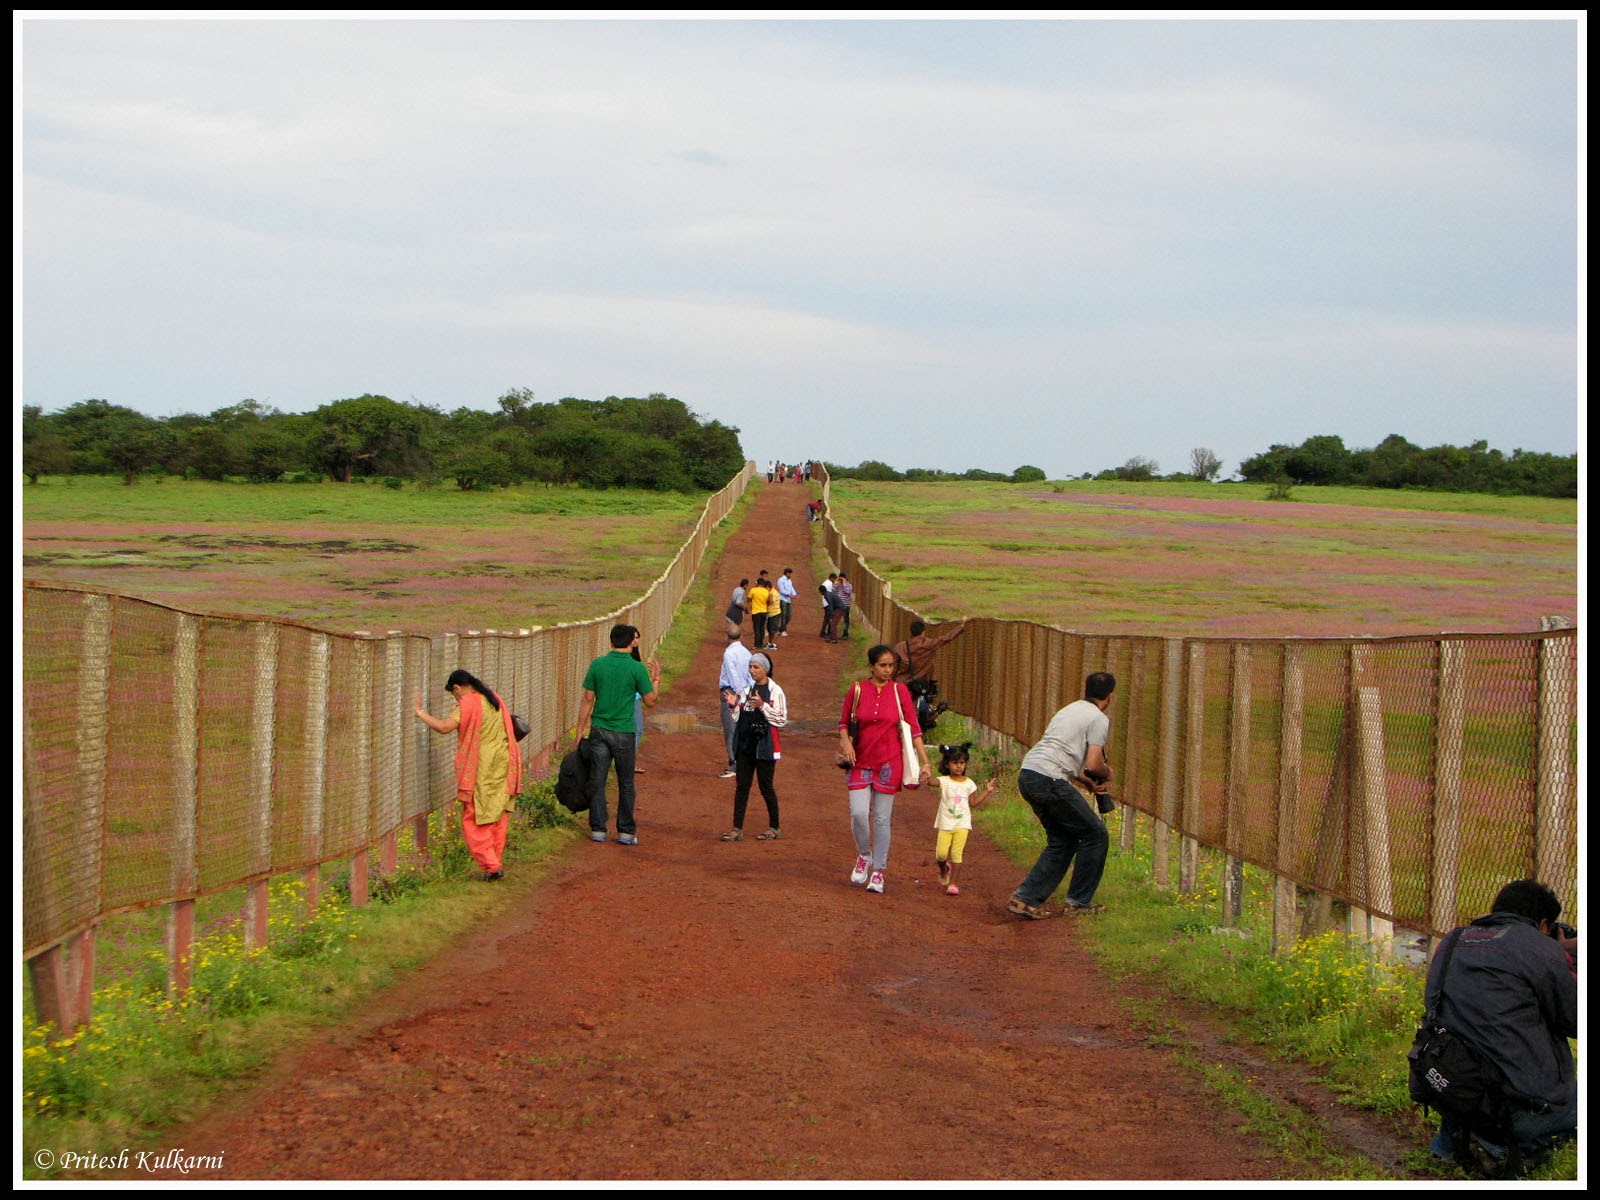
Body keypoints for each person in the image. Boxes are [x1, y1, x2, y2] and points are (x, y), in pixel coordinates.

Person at [1420, 879, 1578, 1171]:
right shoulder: (1541, 949)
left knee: (1480, 1052)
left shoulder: (1454, 940)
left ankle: (1455, 1140)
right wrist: (1568, 963)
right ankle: (1503, 1148)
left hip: (1451, 1088)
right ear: (1544, 924)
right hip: (1516, 1104)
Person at [1007, 672, 1115, 919]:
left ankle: (1025, 899)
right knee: (1095, 834)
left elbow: (1061, 751)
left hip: (1030, 773)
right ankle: (1078, 902)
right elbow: (1093, 762)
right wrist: (1106, 773)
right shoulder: (1098, 718)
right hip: (1050, 778)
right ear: (1110, 696)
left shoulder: (1068, 710)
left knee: (1063, 839)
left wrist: (1083, 780)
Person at [837, 644, 931, 895]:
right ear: (872, 666)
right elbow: (844, 722)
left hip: (889, 763)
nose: (888, 670)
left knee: (881, 819)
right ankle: (864, 855)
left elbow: (914, 730)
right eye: (883, 665)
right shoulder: (857, 690)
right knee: (858, 813)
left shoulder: (900, 692)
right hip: (860, 761)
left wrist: (925, 762)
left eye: (891, 666)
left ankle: (878, 871)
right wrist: (846, 742)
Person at [413, 669, 522, 881]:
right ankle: (494, 863)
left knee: (474, 817)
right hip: (505, 763)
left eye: (454, 695)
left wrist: (420, 713)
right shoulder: (494, 698)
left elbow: (445, 727)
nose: (456, 699)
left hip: (482, 767)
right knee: (498, 814)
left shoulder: (469, 703)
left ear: (457, 688)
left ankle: (491, 866)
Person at [576, 624, 660, 845]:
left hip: (600, 729)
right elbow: (650, 702)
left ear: (611, 641)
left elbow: (587, 699)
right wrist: (656, 680)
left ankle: (598, 828)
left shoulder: (598, 665)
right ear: (630, 642)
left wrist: (580, 730)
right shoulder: (637, 668)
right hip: (624, 731)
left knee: (598, 779)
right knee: (626, 782)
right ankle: (625, 831)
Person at [719, 652, 788, 843]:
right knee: (742, 787)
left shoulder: (775, 691)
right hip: (746, 745)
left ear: (765, 669)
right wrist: (733, 706)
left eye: (756, 667)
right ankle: (737, 828)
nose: (752, 670)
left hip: (766, 746)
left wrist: (762, 706)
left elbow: (781, 719)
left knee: (766, 787)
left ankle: (774, 827)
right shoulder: (746, 689)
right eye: (750, 667)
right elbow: (737, 718)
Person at [931, 742, 996, 897]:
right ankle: (944, 870)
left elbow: (973, 803)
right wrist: (924, 774)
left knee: (956, 854)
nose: (959, 766)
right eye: (955, 763)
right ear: (947, 765)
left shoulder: (969, 784)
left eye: (962, 763)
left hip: (962, 824)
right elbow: (931, 782)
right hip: (945, 823)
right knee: (940, 854)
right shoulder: (944, 781)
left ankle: (953, 884)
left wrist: (987, 792)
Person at [717, 625, 753, 779]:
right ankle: (742, 762)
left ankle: (734, 764)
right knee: (741, 727)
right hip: (745, 692)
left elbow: (732, 674)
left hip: (731, 692)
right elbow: (751, 675)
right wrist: (746, 692)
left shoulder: (729, 653)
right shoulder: (746, 652)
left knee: (731, 729)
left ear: (727, 636)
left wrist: (737, 694)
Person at [892, 618, 969, 688]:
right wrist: (961, 627)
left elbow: (893, 667)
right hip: (919, 685)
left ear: (911, 632)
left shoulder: (899, 647)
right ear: (923, 632)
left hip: (900, 683)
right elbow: (945, 638)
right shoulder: (928, 645)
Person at [748, 575, 773, 653]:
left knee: (756, 628)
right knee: (762, 628)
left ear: (758, 583)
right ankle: (761, 643)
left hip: (756, 612)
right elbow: (769, 602)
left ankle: (756, 644)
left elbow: (748, 599)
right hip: (764, 611)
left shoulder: (753, 590)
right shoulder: (766, 591)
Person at [776, 567, 798, 637]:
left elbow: (792, 588)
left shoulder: (789, 581)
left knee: (789, 616)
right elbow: (782, 590)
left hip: (788, 600)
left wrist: (795, 594)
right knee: (784, 615)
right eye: (790, 573)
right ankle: (783, 630)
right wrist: (790, 595)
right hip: (783, 599)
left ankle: (781, 629)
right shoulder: (781, 580)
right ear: (787, 573)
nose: (790, 575)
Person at [762, 577, 783, 650]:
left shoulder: (773, 593)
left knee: (774, 629)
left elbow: (771, 602)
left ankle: (773, 644)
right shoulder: (772, 592)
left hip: (775, 613)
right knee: (770, 629)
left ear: (767, 587)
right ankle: (770, 643)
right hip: (771, 614)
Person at [835, 572, 855, 639]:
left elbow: (848, 592)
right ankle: (833, 633)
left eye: (842, 578)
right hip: (838, 604)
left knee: (845, 620)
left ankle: (845, 634)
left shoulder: (849, 585)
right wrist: (836, 583)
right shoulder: (838, 585)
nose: (841, 579)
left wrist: (843, 583)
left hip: (845, 605)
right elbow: (833, 590)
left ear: (845, 578)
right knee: (836, 619)